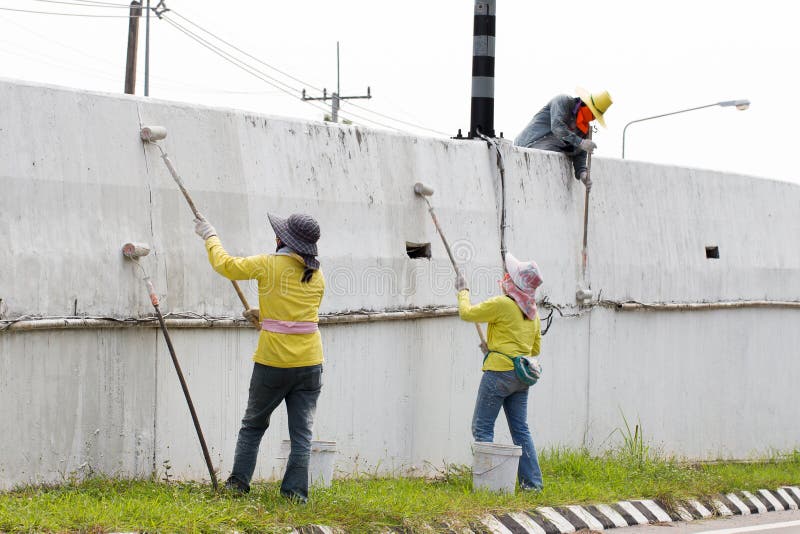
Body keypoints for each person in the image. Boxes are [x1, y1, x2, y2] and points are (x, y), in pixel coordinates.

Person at [193, 211, 325, 502]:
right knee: (302, 434)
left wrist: (210, 236)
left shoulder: (268, 264)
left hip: (273, 362)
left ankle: (238, 486)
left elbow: (226, 266)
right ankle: (295, 495)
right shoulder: (317, 276)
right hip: (310, 364)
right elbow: (298, 316)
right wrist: (265, 316)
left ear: (282, 239)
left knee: (253, 425)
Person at [455, 253, 544, 491]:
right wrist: (494, 347)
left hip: (498, 375)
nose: (505, 277)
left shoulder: (503, 303)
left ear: (513, 284)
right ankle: (532, 485)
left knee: (482, 427)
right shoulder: (532, 313)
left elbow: (467, 313)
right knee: (520, 429)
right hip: (521, 377)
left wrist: (463, 291)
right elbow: (533, 349)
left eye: (509, 276)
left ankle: (488, 487)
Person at [514, 88, 613, 191]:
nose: (593, 118)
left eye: (595, 116)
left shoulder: (584, 130)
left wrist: (583, 173)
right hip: (526, 147)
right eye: (593, 113)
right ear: (585, 104)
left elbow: (580, 155)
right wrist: (580, 142)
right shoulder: (563, 101)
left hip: (545, 167)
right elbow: (557, 127)